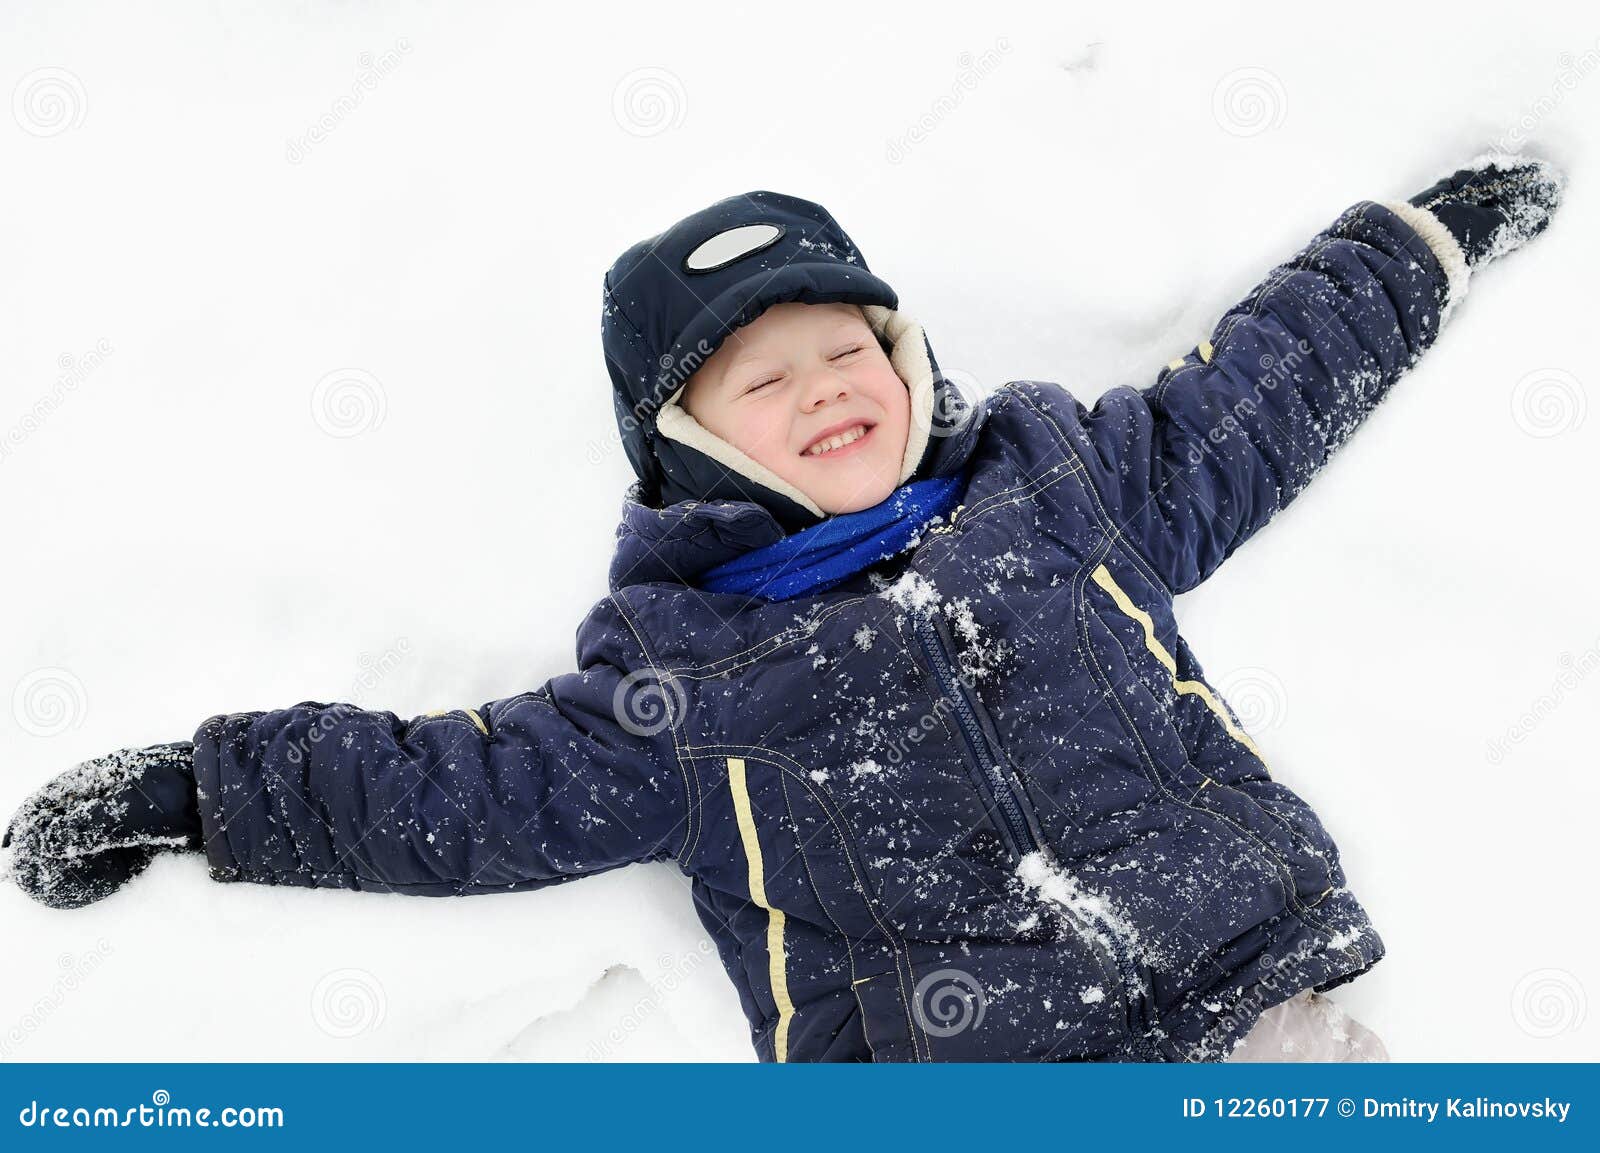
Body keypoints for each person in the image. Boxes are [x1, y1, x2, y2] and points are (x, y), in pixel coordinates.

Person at [2, 156, 1563, 1062]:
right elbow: (449, 791)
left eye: (853, 354)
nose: (832, 393)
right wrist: (195, 794)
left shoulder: (1065, 491)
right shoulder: (677, 690)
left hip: (1267, 1018)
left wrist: (1415, 249)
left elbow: (1258, 399)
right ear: (687, 444)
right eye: (767, 379)